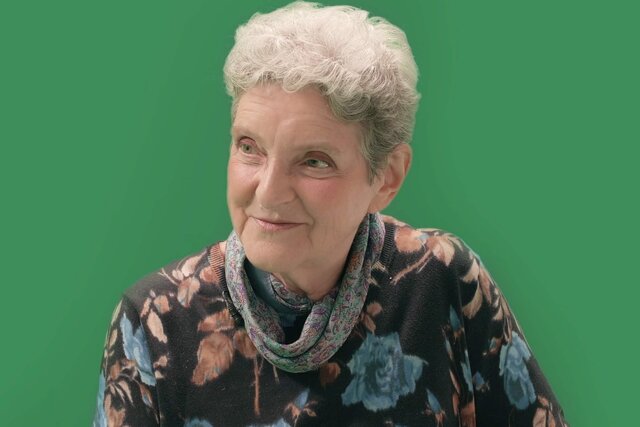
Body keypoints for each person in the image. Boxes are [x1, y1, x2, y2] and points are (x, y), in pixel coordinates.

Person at [93, 2, 568, 426]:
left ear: (387, 178)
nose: (269, 191)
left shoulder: (441, 279)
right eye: (249, 147)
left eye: (314, 161)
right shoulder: (155, 321)